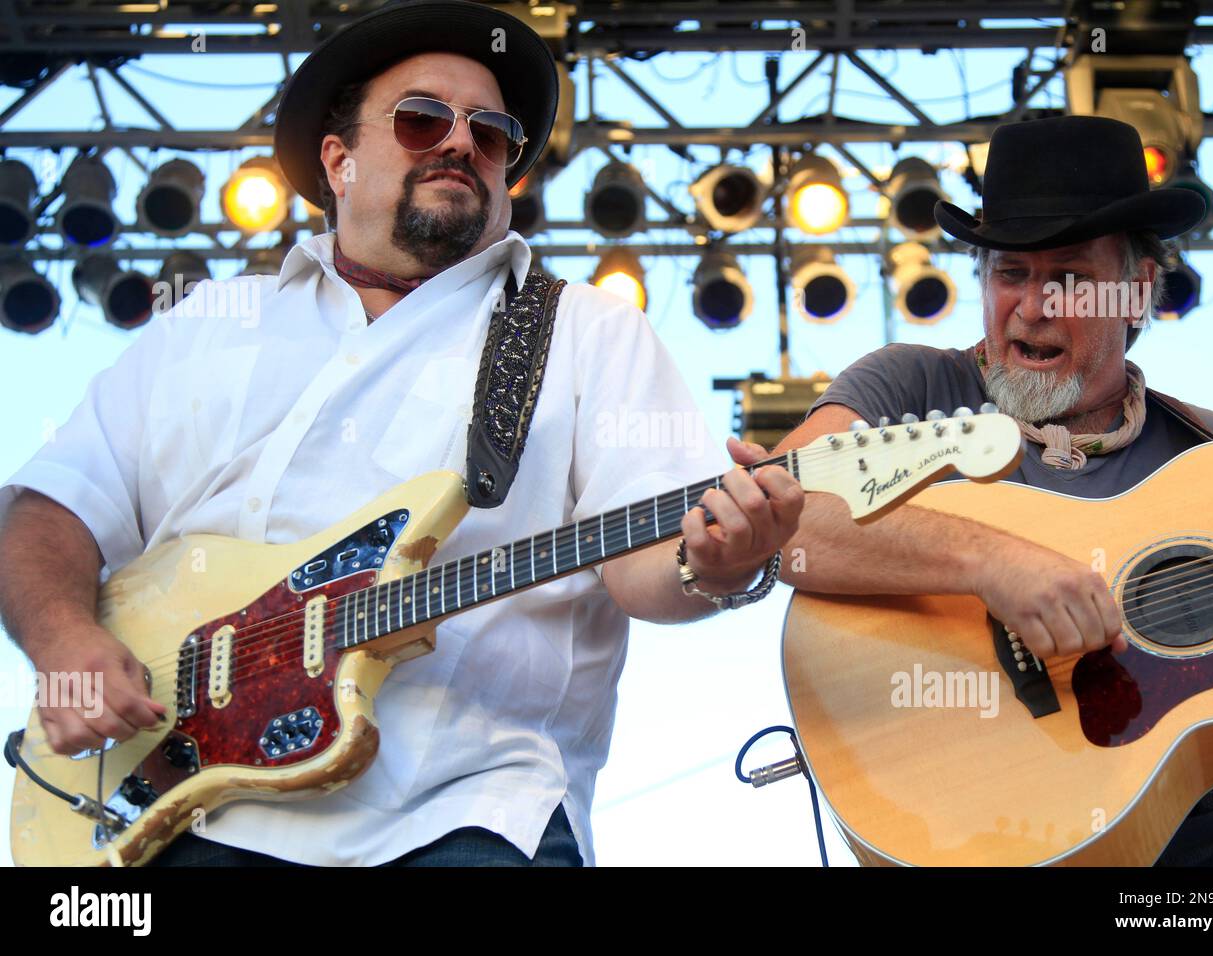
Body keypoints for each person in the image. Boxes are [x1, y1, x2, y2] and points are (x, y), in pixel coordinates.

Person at [0, 0, 803, 867]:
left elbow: (649, 564)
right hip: (171, 814)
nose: (460, 143)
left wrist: (716, 565)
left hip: (460, 808)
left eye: (491, 134)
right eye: (422, 120)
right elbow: (48, 514)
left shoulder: (586, 331)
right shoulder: (205, 324)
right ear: (339, 160)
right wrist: (66, 642)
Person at [750, 114, 1213, 865]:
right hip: (968, 812)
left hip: (1189, 836)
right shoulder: (910, 386)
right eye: (1011, 273)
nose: (1033, 307)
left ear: (1137, 291)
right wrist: (992, 563)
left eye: (1070, 279)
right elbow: (780, 518)